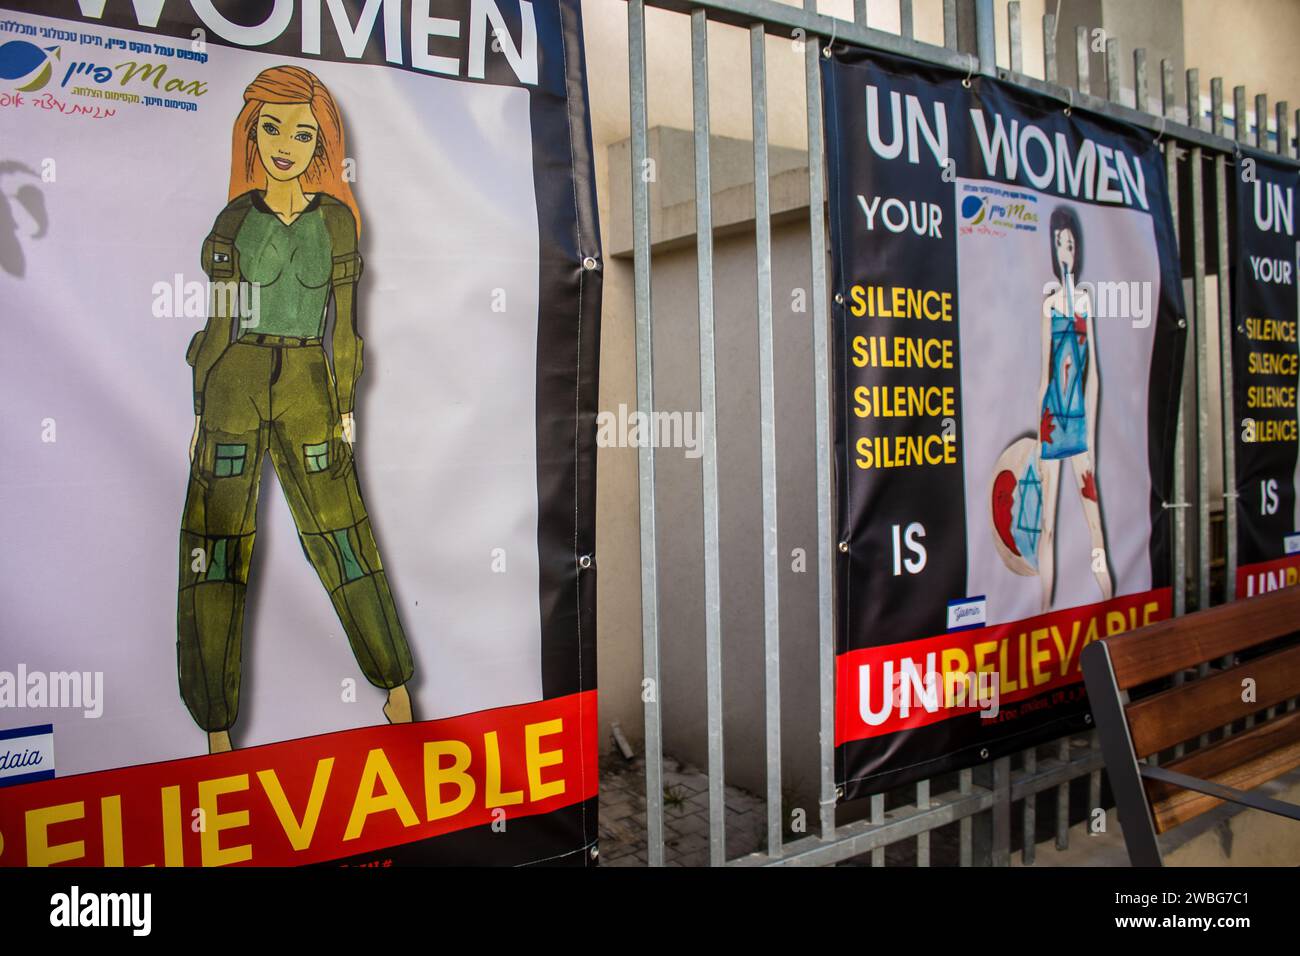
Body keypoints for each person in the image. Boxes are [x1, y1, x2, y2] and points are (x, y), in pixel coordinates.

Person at [176, 65, 414, 754]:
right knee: (213, 548)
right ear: (252, 132)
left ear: (322, 143)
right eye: (272, 127)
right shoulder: (233, 220)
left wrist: (344, 404)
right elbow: (217, 323)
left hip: (311, 385)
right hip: (233, 383)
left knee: (343, 535)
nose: (286, 143)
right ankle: (216, 723)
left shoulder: (337, 221)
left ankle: (395, 685)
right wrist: (199, 407)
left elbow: (345, 326)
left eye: (303, 132)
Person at [1036, 205, 1112, 612]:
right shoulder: (1048, 305)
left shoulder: (1085, 301)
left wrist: (1092, 436)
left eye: (1069, 242)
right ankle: (1044, 608)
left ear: (1076, 248)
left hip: (1079, 422)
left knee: (1094, 525)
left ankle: (1108, 597)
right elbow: (1043, 375)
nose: (1065, 250)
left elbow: (1094, 373)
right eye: (1059, 243)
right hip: (1052, 421)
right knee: (1046, 525)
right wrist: (1037, 428)